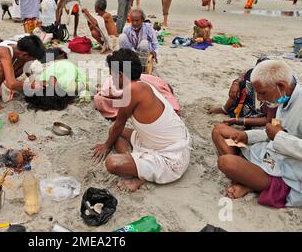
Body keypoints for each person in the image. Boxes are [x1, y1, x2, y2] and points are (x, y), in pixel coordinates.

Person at [93, 49, 191, 192]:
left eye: (112, 74)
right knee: (113, 131)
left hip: (171, 158)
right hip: (159, 142)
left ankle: (139, 174)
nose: (111, 79)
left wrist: (107, 146)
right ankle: (134, 162)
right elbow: (117, 127)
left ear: (120, 75)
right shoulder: (143, 84)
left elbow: (120, 123)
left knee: (112, 163)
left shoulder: (132, 90)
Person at [212, 60, 302, 208]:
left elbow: (277, 134)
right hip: (266, 155)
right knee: (219, 131)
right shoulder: (282, 99)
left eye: (262, 93)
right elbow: (271, 132)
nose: (259, 99)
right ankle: (246, 178)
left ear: (281, 86)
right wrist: (247, 136)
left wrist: (279, 136)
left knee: (226, 162)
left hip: (285, 172)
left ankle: (248, 181)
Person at [0, 35, 46, 110]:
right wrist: (31, 85)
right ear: (25, 54)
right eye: (33, 59)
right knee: (0, 68)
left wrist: (33, 81)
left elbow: (27, 67)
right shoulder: (3, 52)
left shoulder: (17, 48)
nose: (32, 61)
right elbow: (11, 84)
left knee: (24, 63)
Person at [207, 57, 277, 127]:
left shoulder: (274, 91)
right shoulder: (252, 74)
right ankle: (225, 109)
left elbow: (268, 120)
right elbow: (243, 76)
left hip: (261, 116)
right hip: (248, 107)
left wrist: (239, 121)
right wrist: (236, 83)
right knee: (240, 85)